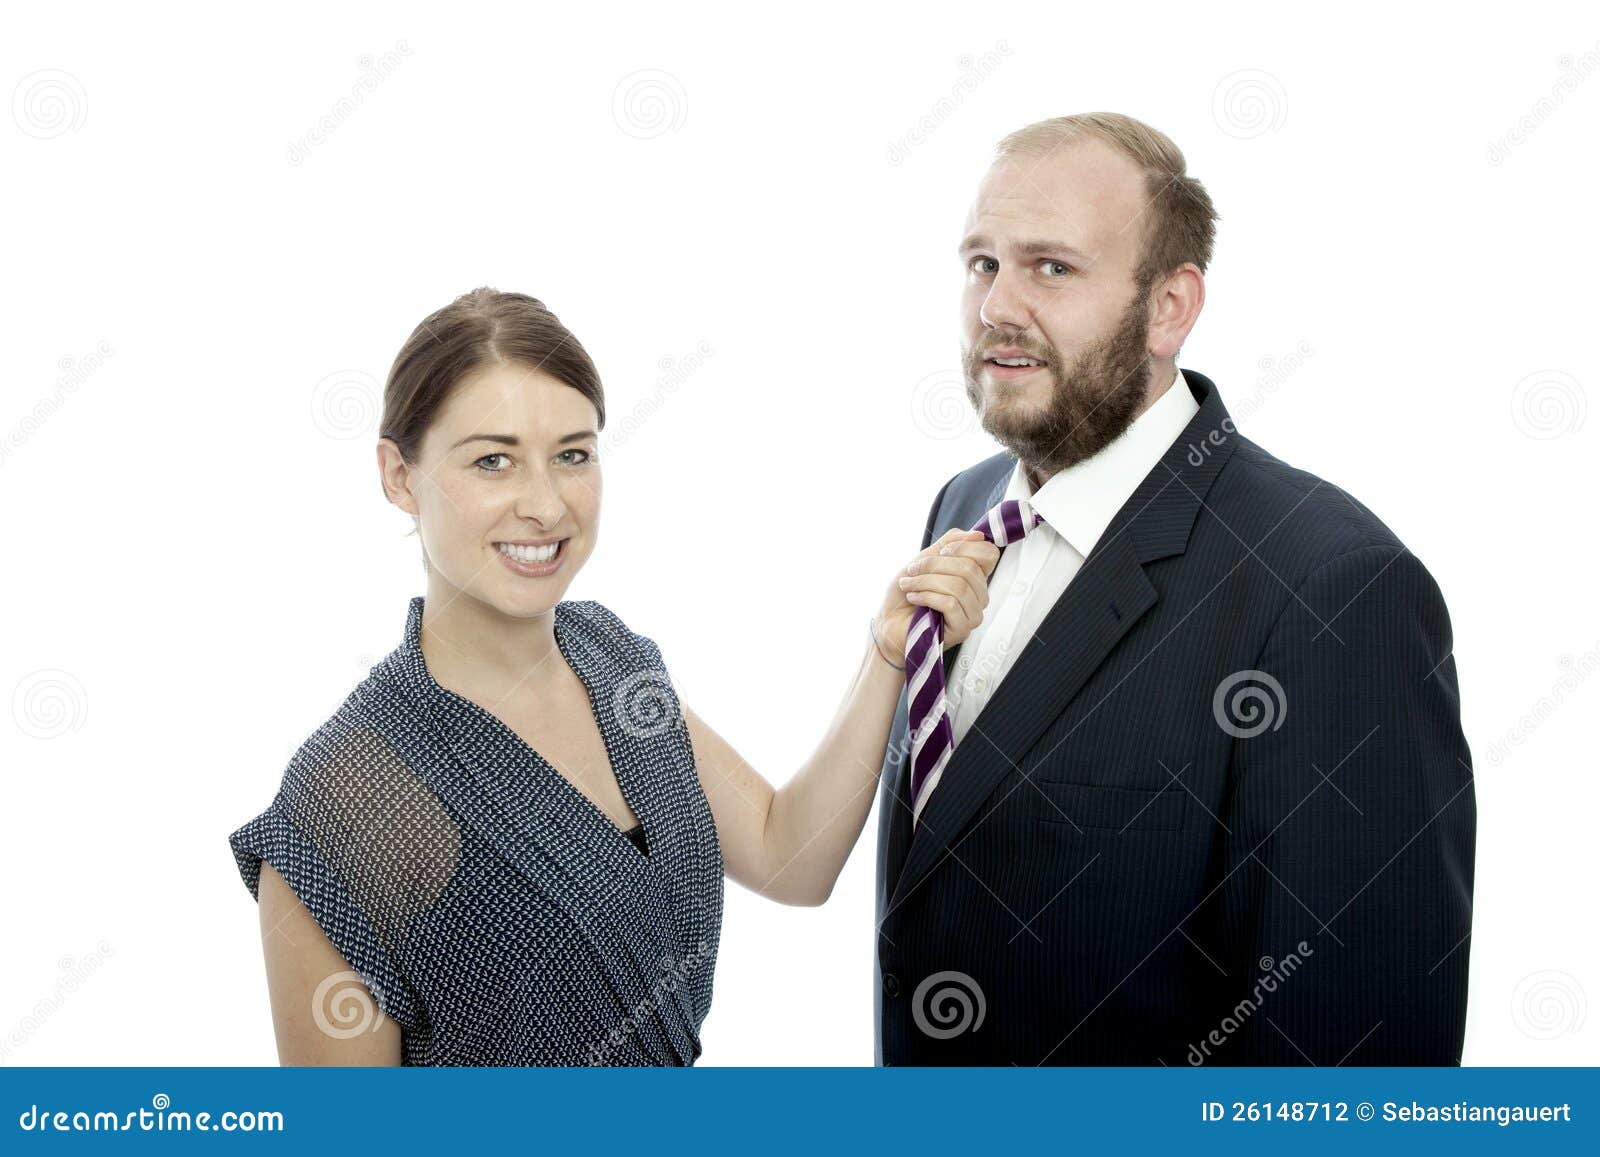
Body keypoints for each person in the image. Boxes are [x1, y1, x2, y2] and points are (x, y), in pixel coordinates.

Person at [228, 287, 999, 1066]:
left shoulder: (613, 659)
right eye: (493, 460)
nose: (546, 504)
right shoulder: (348, 794)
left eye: (573, 454)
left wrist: (887, 651)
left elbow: (787, 854)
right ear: (399, 475)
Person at [873, 112, 1475, 1065]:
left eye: (1052, 267)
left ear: (1170, 307)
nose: (997, 307)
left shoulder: (1332, 588)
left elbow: (1355, 1060)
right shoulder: (966, 508)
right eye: (982, 263)